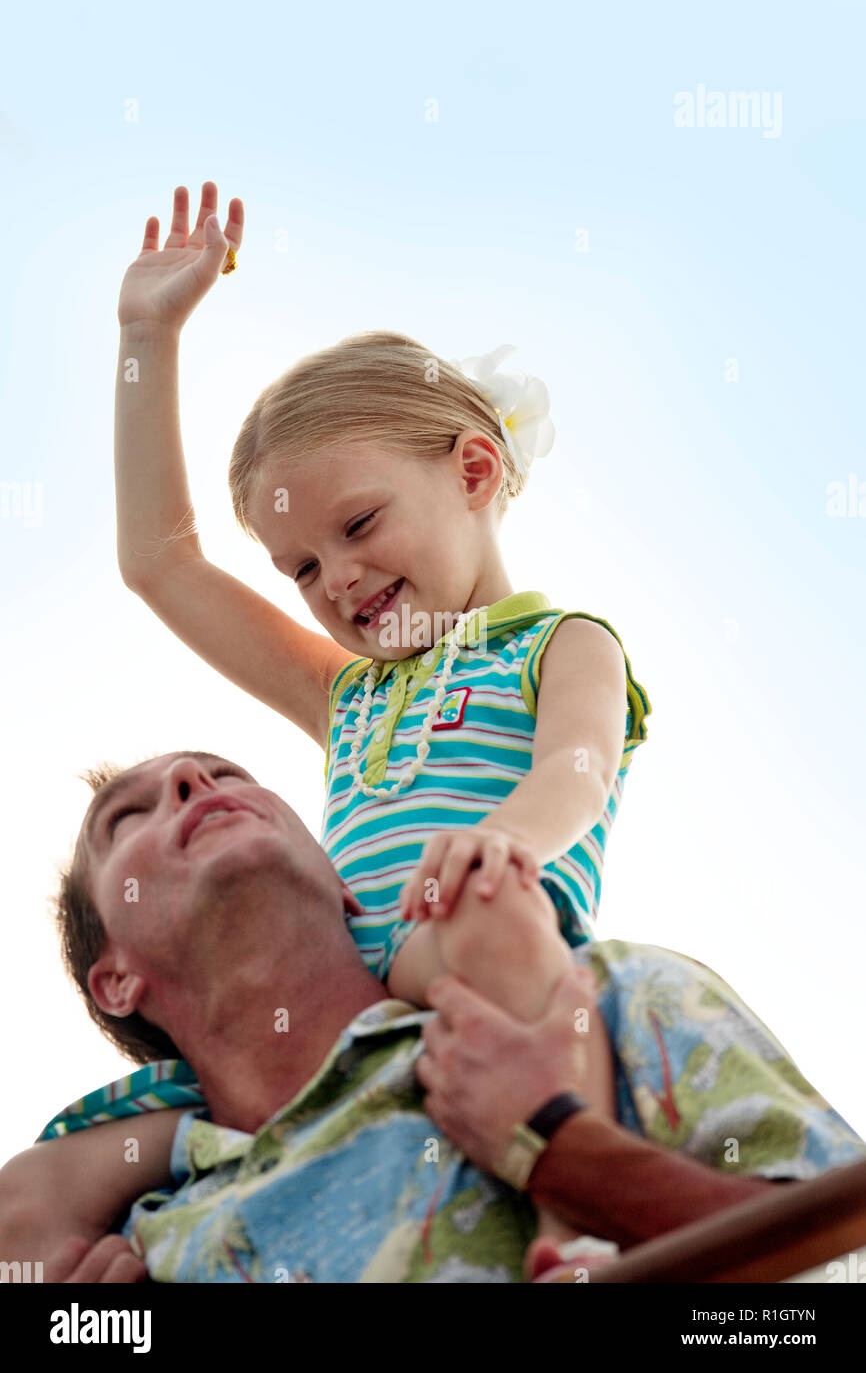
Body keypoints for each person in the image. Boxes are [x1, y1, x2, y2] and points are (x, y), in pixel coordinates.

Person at [113, 179, 654, 1247]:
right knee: (72, 1168)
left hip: (481, 946)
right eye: (301, 567)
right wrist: (145, 336)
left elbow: (579, 768)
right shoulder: (345, 690)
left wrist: (498, 844)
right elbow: (160, 563)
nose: (338, 579)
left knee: (494, 914)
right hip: (341, 990)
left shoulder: (561, 643)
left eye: (358, 524)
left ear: (474, 468)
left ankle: (574, 1224)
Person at [2, 752, 863, 1284]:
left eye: (227, 772)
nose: (195, 782)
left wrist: (564, 1150)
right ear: (113, 981)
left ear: (340, 883)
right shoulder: (136, 1248)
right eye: (128, 818)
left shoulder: (603, 1003)